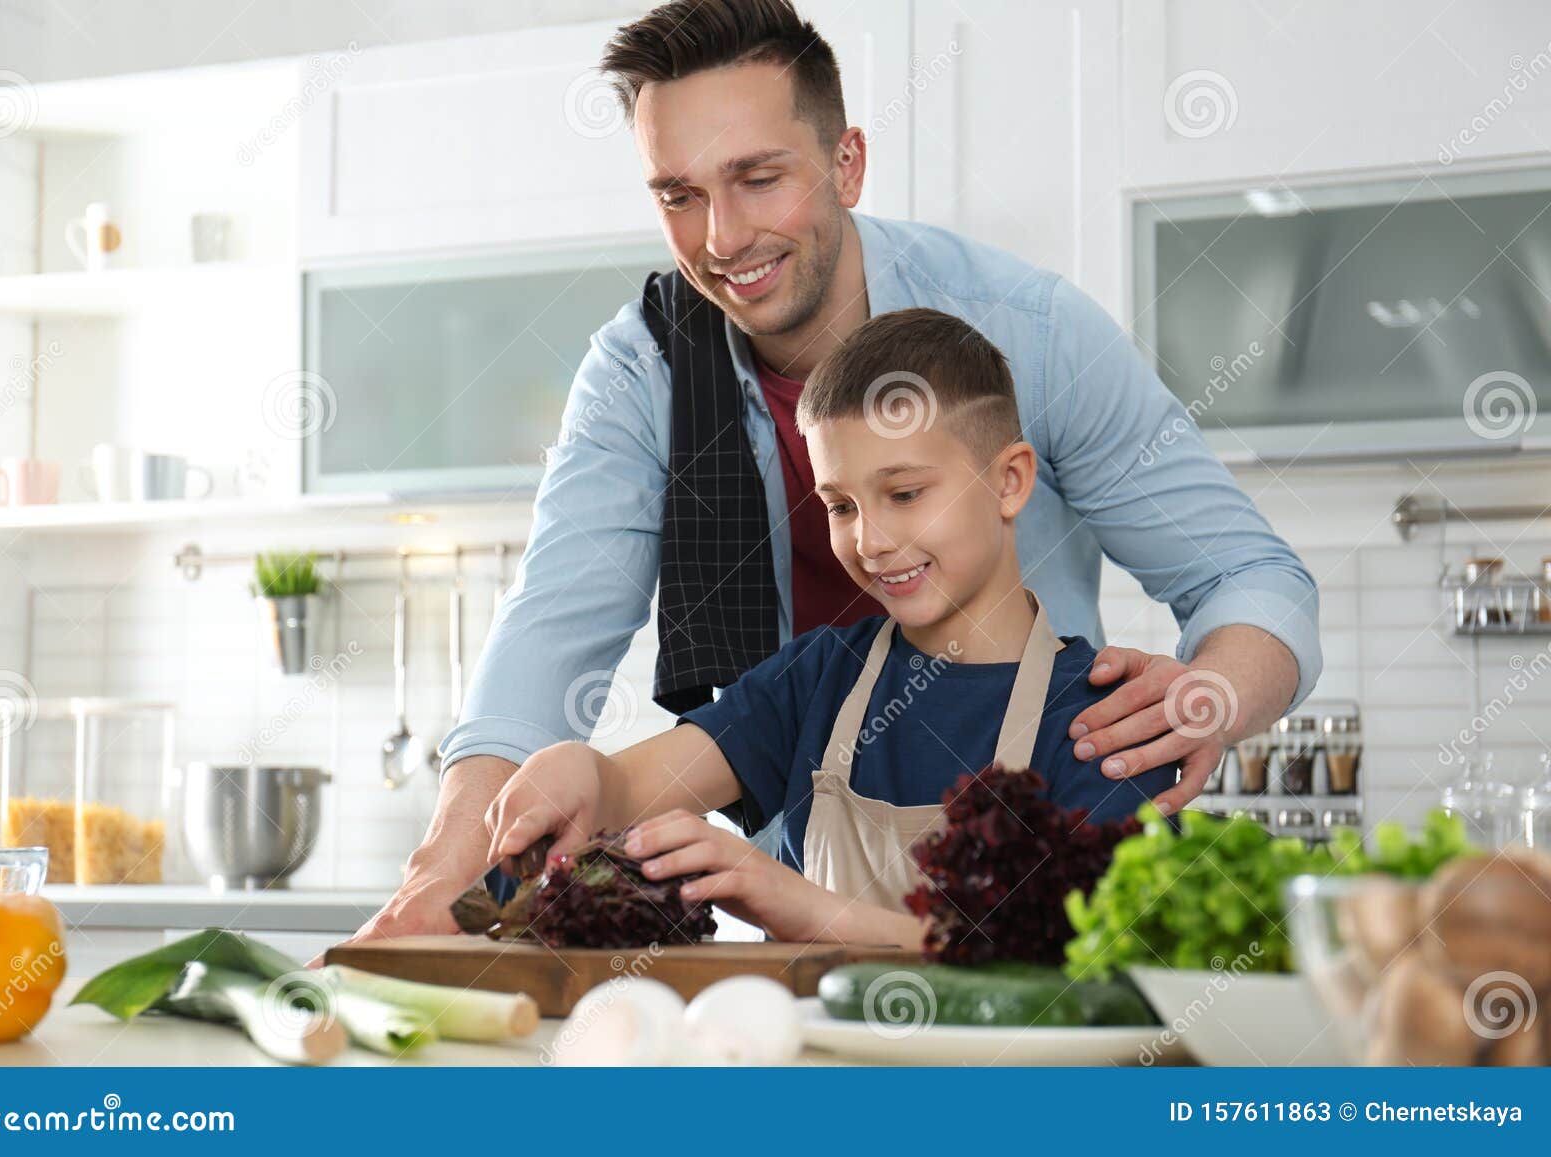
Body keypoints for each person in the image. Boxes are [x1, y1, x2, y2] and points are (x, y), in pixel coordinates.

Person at [340, 0, 1318, 949]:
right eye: (678, 194)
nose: (721, 237)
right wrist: (452, 867)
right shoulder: (646, 378)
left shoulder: (1028, 334)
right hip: (785, 882)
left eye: (758, 177)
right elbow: (548, 646)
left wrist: (1207, 697)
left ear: (846, 162)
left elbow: (1247, 575)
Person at [479, 308, 1176, 946]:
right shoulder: (816, 677)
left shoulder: (1102, 717)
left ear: (1010, 481)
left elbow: (1093, 958)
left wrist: (798, 903)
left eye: (904, 494)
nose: (870, 539)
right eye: (840, 506)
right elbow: (626, 789)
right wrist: (578, 770)